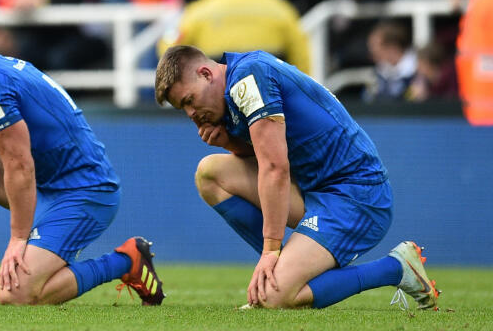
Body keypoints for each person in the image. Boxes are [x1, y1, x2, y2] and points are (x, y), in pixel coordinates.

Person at [153, 45, 440, 310]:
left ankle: (396, 267)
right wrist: (228, 142)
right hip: (313, 192)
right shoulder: (234, 89)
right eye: (183, 108)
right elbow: (268, 154)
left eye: (189, 100)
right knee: (210, 173)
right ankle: (282, 272)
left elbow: (275, 167)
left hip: (356, 195)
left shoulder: (248, 78)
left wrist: (270, 250)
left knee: (274, 297)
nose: (191, 113)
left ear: (206, 74)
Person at [0, 55, 164, 307]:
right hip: (46, 183)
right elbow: (15, 136)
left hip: (84, 190)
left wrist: (18, 239)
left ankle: (126, 261)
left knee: (17, 295)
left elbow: (19, 164)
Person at [165, 0, 311, 74]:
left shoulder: (197, 11)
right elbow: (301, 56)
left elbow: (169, 47)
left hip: (216, 94)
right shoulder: (281, 10)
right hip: (268, 92)